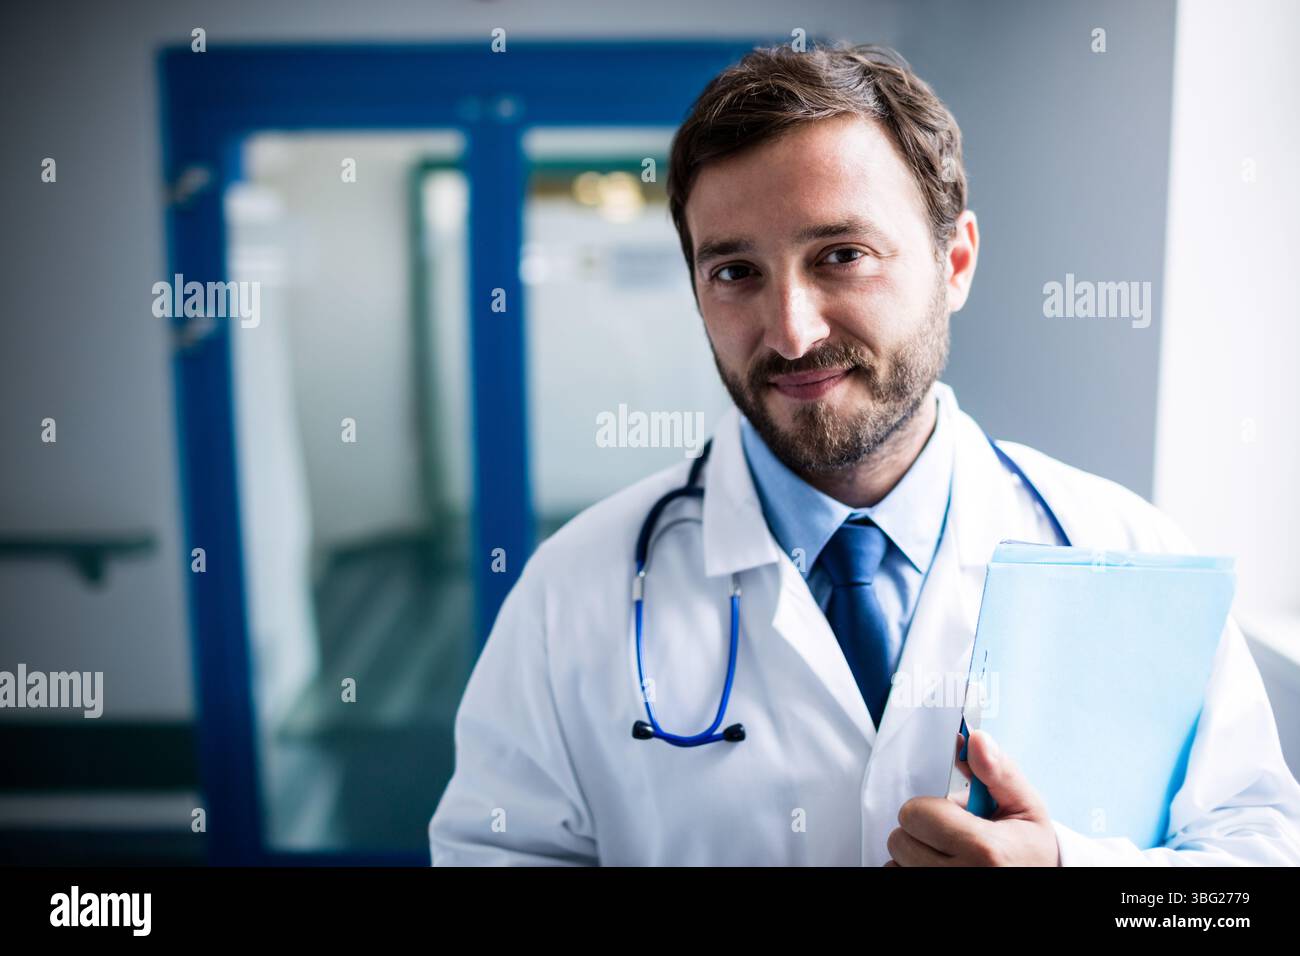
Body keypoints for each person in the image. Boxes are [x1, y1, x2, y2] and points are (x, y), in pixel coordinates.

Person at [428, 42, 1300, 865]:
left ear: (953, 262)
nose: (792, 331)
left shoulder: (1129, 553)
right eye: (735, 272)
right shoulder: (571, 591)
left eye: (841, 256)